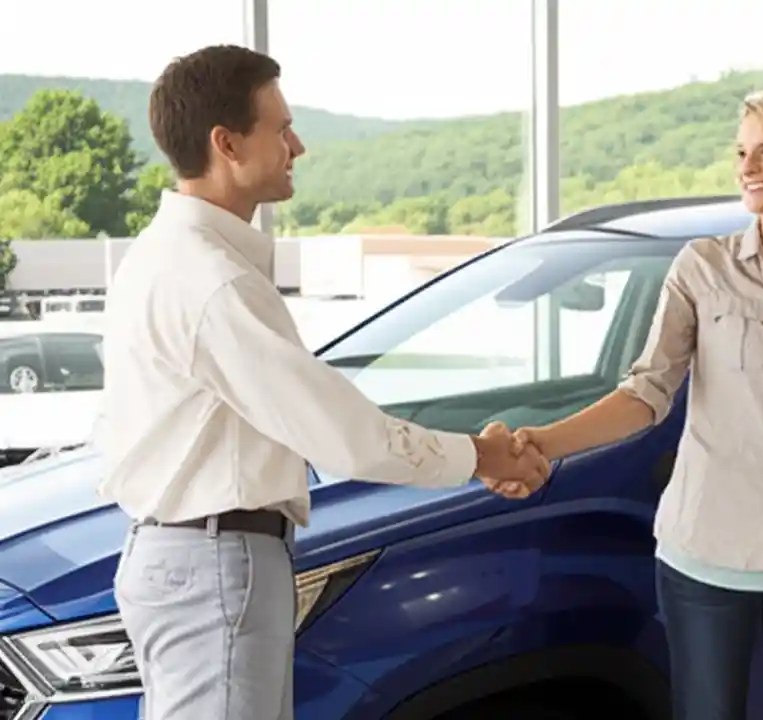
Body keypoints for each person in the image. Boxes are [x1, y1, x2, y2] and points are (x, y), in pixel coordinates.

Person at [94, 45, 548, 720]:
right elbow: (340, 432)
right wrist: (479, 456)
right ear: (226, 143)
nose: (297, 145)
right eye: (280, 128)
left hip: (193, 556)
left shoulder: (167, 257)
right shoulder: (209, 280)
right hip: (214, 563)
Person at [509, 84, 763, 720]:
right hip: (705, 559)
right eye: (742, 151)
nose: (747, 167)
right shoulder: (702, 267)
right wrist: (541, 443)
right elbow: (646, 393)